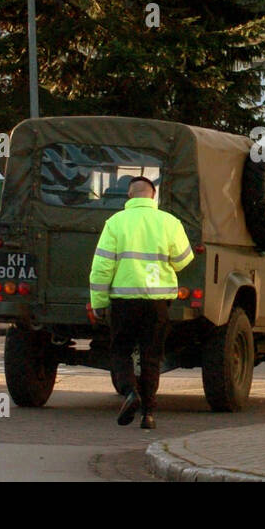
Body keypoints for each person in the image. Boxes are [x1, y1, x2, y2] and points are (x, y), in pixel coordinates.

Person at [87, 176, 193, 429]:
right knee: (151, 356)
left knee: (120, 350)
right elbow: (183, 260)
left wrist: (98, 302)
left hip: (123, 302)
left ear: (129, 197)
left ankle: (129, 391)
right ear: (153, 196)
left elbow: (101, 267)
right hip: (157, 303)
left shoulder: (115, 223)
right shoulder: (170, 222)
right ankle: (149, 414)